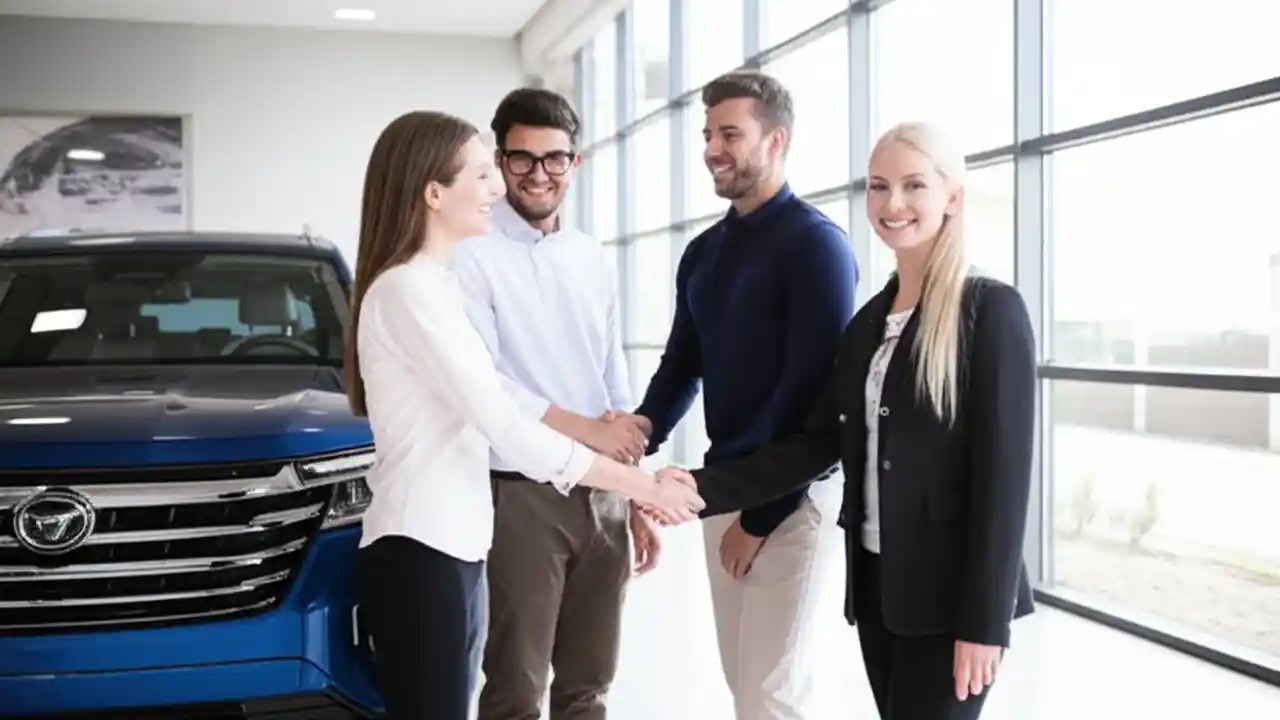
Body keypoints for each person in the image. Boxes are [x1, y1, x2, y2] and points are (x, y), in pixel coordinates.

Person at [660, 121, 1037, 720]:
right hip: (880, 588)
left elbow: (1005, 479)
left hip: (950, 601)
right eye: (880, 186)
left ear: (953, 198)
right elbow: (814, 445)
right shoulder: (868, 324)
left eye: (915, 186)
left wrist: (985, 623)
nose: (894, 205)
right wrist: (697, 490)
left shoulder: (989, 312)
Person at [343, 110, 704, 720]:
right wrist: (644, 486)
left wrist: (635, 482)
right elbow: (508, 425)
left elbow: (505, 401)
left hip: (452, 542)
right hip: (420, 545)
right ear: (434, 193)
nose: (495, 189)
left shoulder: (432, 287)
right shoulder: (408, 291)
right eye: (484, 173)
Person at [620, 70, 858, 720]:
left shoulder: (816, 247)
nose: (712, 148)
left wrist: (760, 517)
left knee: (771, 692)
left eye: (730, 133)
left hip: (794, 498)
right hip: (721, 489)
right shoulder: (704, 251)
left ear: (775, 139)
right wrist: (637, 437)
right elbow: (681, 366)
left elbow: (818, 403)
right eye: (707, 134)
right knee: (745, 685)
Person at [451, 88, 660, 720]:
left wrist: (637, 493)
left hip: (603, 496)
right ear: (498, 160)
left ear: (577, 162)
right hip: (521, 493)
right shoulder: (470, 253)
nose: (538, 174)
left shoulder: (592, 256)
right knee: (515, 687)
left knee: (590, 685)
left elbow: (612, 381)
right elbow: (486, 384)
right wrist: (585, 438)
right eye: (522, 159)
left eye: (554, 159)